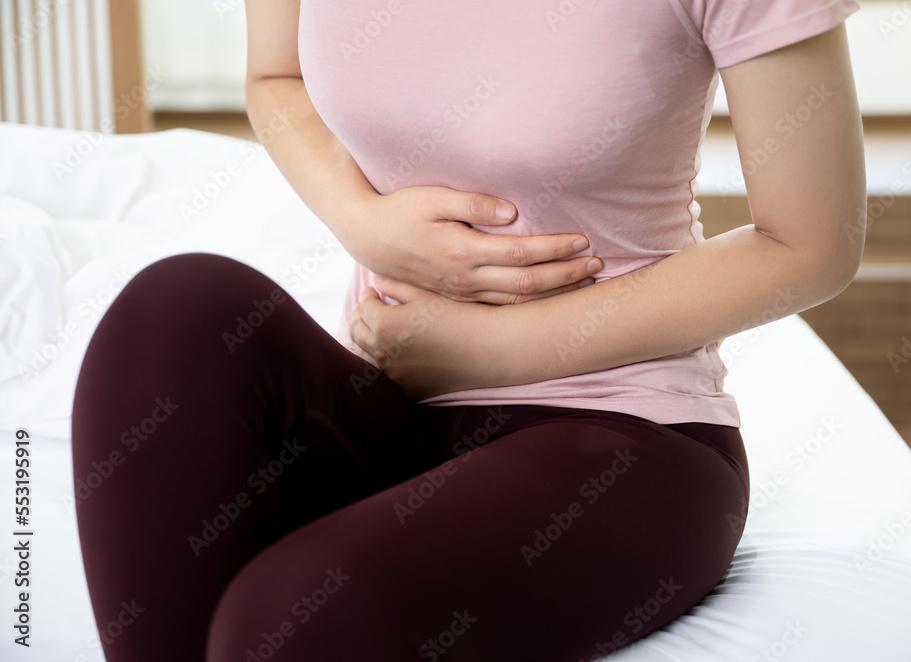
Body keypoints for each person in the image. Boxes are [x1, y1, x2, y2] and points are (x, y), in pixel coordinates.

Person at [71, 0, 866, 660]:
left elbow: (811, 244)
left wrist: (483, 352)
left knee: (285, 618)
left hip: (623, 430)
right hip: (389, 408)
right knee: (173, 311)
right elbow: (275, 76)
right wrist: (365, 225)